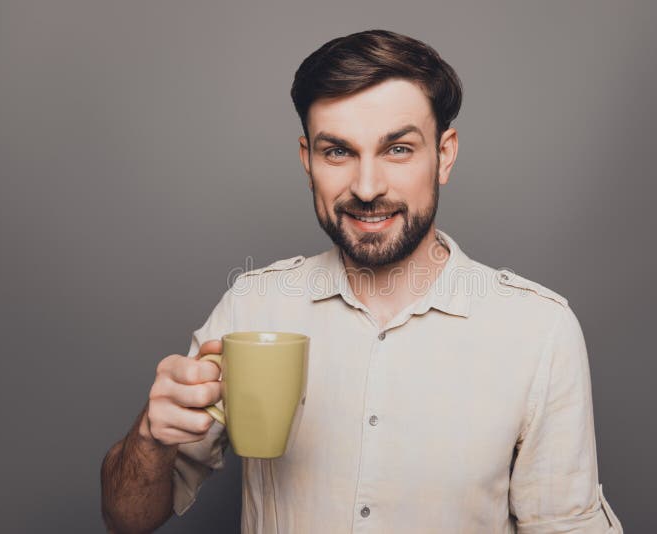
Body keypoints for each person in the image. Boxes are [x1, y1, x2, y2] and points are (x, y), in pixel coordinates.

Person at [100, 29, 624, 534]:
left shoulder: (538, 332)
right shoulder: (253, 307)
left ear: (444, 155)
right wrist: (151, 435)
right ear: (308, 161)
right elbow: (127, 518)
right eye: (338, 152)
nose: (367, 187)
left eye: (397, 149)